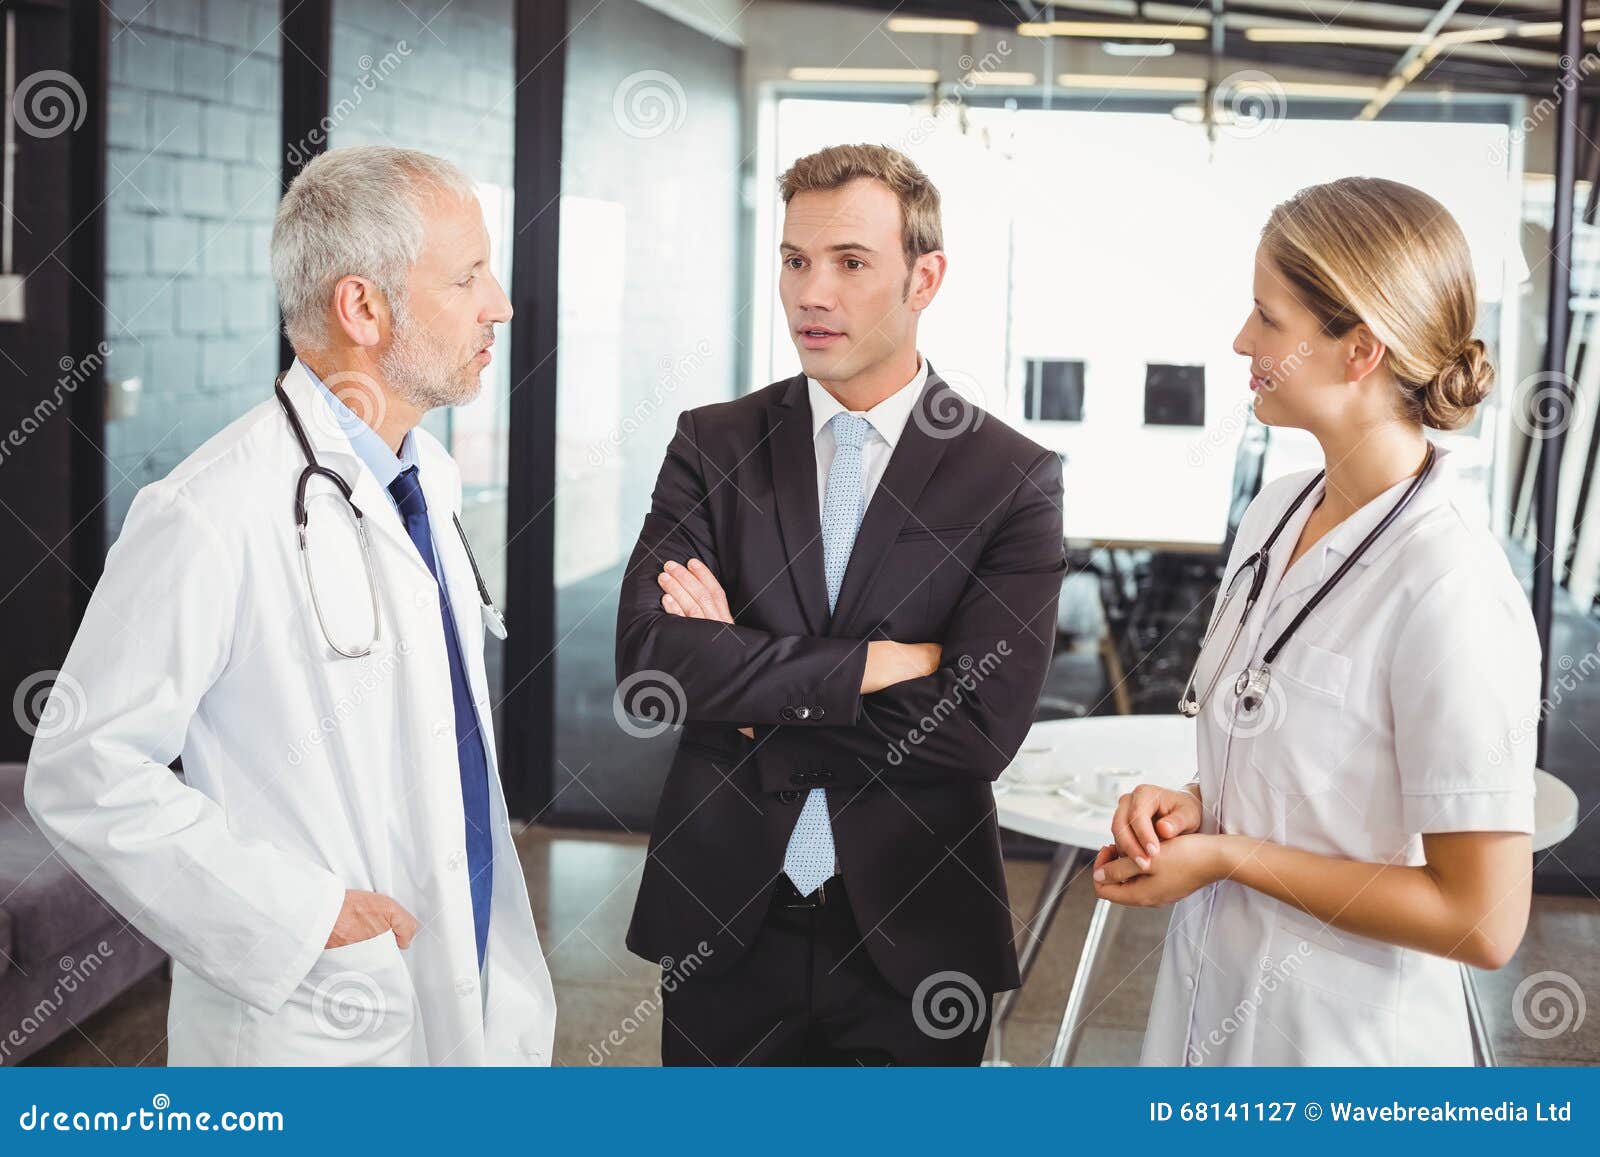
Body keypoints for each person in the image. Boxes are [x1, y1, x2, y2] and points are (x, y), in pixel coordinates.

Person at [25, 145, 555, 1065]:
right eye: (468, 276)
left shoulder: (427, 472)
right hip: (316, 1018)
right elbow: (84, 767)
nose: (500, 303)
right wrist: (305, 919)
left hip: (458, 966)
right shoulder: (210, 510)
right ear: (363, 308)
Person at [616, 143, 1066, 1065]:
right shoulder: (716, 443)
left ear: (924, 277)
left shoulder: (1010, 478)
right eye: (794, 261)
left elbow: (980, 724)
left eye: (851, 263)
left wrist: (745, 685)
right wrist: (872, 667)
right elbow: (653, 661)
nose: (811, 293)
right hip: (724, 918)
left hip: (918, 933)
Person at [1095, 177, 1539, 1066]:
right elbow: (1296, 764)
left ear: (1360, 351)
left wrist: (1229, 855)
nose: (1239, 341)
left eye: (1268, 318)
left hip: (1345, 1053)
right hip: (1206, 1017)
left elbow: (1484, 920)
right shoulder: (1277, 510)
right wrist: (1193, 806)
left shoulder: (1449, 582)